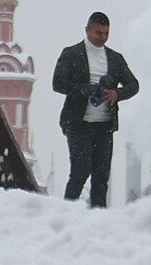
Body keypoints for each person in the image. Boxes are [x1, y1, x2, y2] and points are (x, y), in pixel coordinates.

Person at [49, 12, 139, 208]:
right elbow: (58, 84)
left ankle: (99, 218)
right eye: (98, 33)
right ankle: (67, 212)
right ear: (87, 30)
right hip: (78, 124)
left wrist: (117, 94)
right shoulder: (71, 53)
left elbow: (133, 85)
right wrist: (87, 89)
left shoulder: (115, 58)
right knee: (80, 172)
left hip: (104, 126)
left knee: (101, 176)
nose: (102, 37)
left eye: (106, 33)